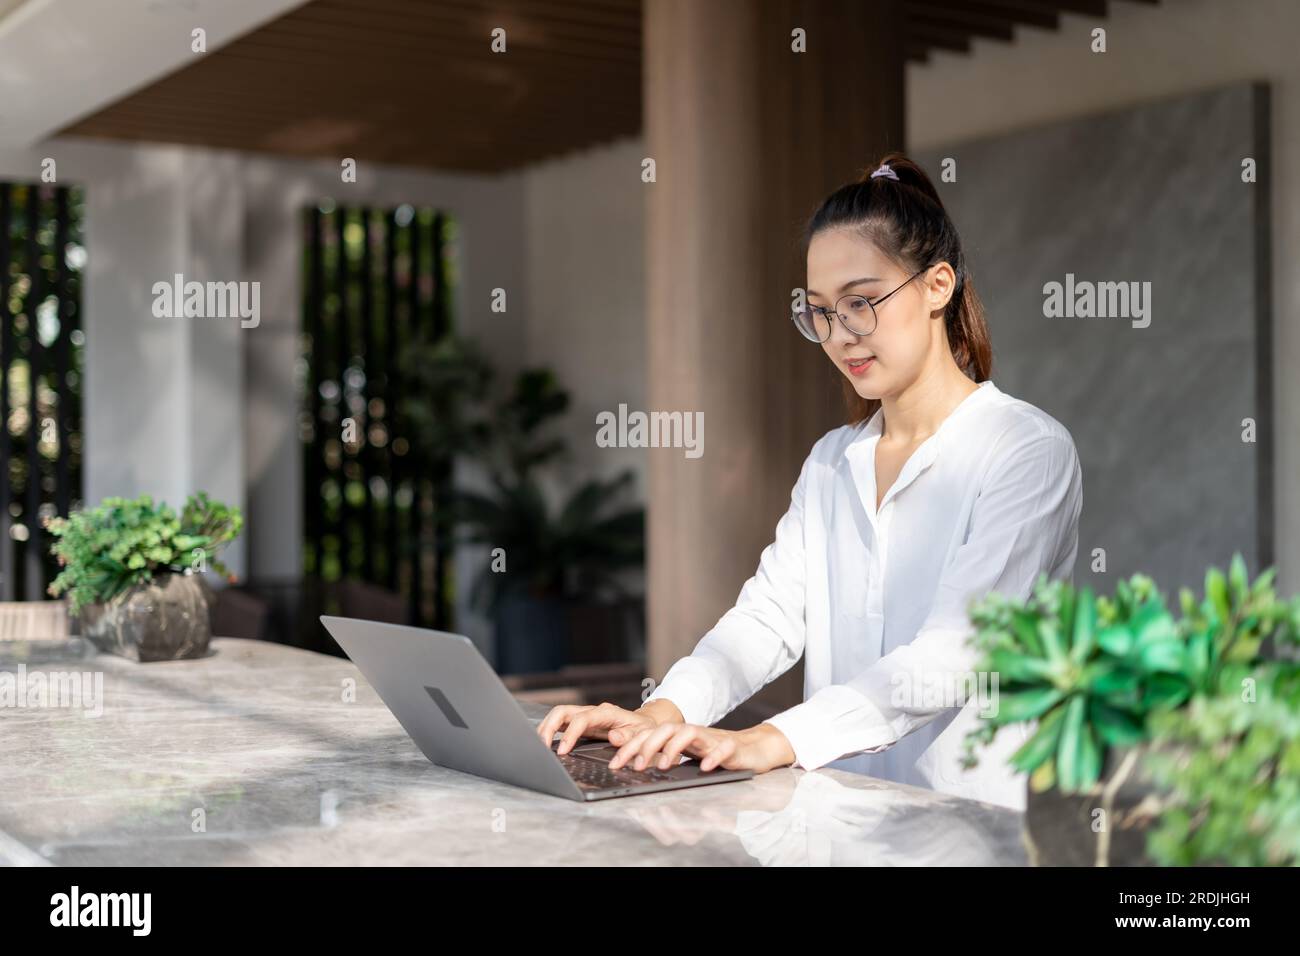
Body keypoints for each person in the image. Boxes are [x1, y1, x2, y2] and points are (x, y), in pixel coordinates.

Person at [536, 153, 1082, 810]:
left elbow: (954, 654)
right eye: (820, 311)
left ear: (938, 285)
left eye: (861, 302)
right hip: (835, 826)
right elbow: (766, 619)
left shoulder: (1024, 449)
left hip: (966, 834)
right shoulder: (832, 460)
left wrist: (770, 740)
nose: (839, 334)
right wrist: (662, 713)